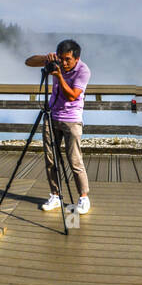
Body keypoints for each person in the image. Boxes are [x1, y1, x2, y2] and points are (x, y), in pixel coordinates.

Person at [25, 40, 91, 217]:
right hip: (52, 116)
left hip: (72, 120)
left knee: (74, 160)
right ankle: (55, 195)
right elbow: (28, 62)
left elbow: (72, 96)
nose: (63, 63)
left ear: (77, 58)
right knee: (50, 158)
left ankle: (83, 197)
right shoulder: (56, 63)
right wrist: (45, 58)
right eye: (61, 59)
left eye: (68, 59)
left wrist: (59, 76)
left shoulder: (83, 71)